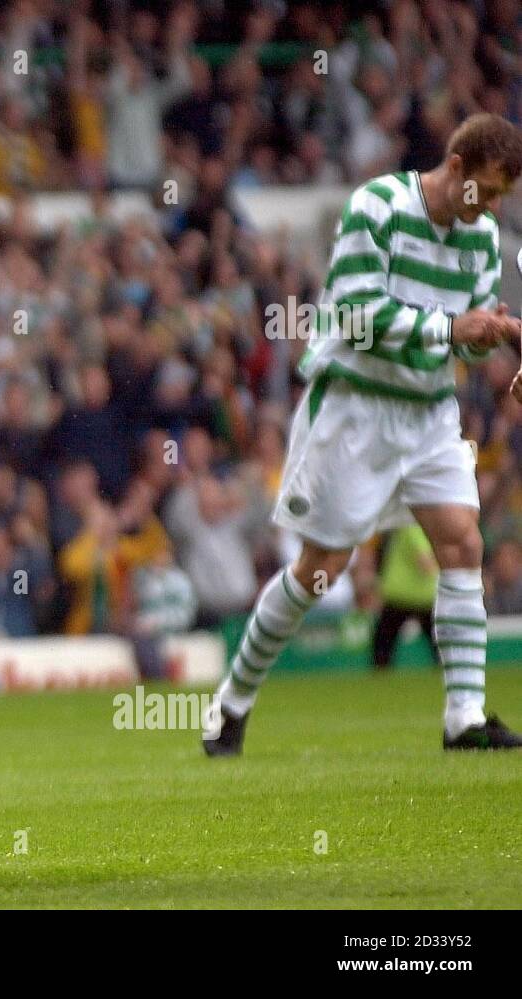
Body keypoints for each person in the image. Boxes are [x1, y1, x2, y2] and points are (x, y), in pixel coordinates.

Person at [204, 113, 522, 755]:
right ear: (455, 167)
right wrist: (451, 329)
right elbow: (351, 315)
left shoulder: (482, 238)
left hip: (430, 410)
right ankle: (231, 703)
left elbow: (473, 330)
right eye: (483, 191)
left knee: (463, 542)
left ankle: (464, 717)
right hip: (355, 407)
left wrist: (506, 352)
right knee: (321, 569)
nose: (488, 207)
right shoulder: (377, 206)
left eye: (498, 199)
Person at [371, 526, 437, 669]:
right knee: (439, 645)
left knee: (383, 647)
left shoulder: (407, 528)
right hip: (419, 596)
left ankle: (379, 679)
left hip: (400, 595)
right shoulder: (414, 529)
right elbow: (425, 563)